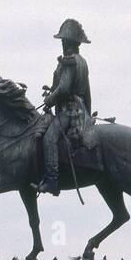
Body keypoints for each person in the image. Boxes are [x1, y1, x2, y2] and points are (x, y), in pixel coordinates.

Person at [38, 18, 94, 196]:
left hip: (68, 112)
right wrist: (88, 114)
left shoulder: (69, 61)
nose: (62, 44)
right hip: (80, 110)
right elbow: (87, 92)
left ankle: (52, 180)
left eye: (63, 41)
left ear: (69, 42)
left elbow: (64, 88)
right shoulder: (82, 61)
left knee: (49, 138)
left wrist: (50, 100)